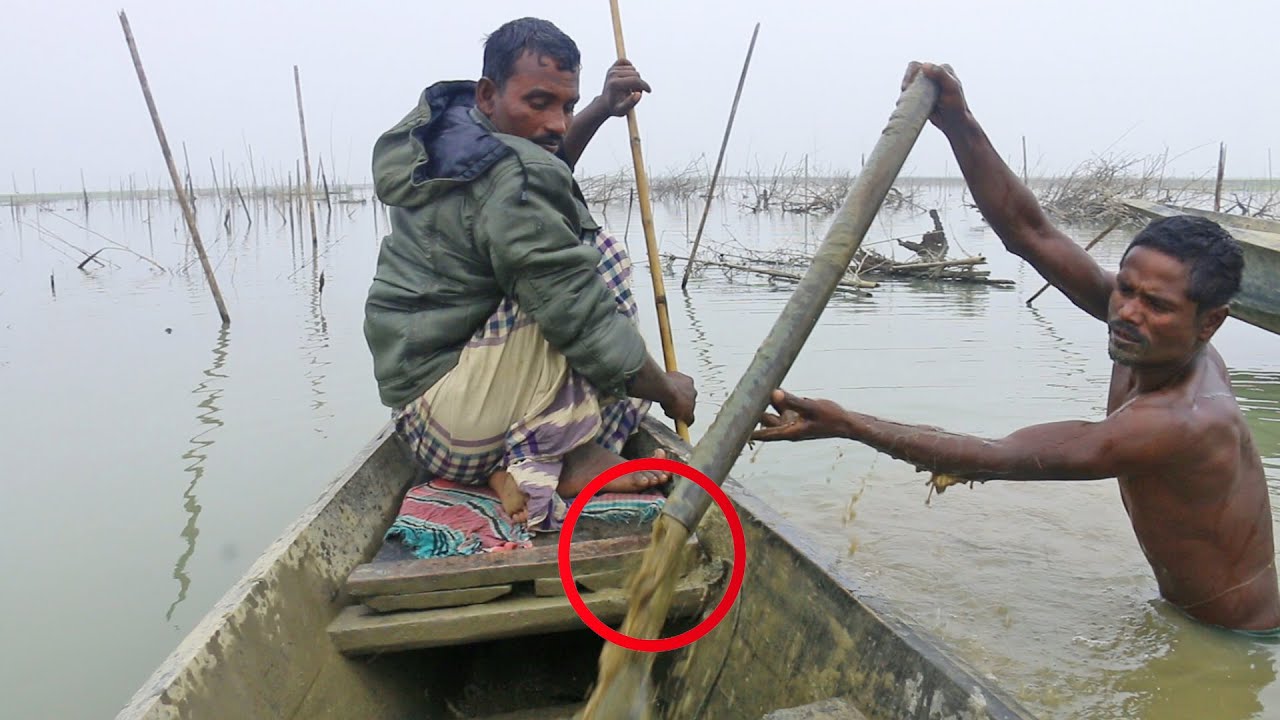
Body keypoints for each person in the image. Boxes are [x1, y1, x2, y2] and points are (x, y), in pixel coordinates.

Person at [752, 61, 1279, 633]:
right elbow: (1031, 233)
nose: (1126, 312)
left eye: (1156, 305)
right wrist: (958, 121)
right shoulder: (1146, 338)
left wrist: (849, 423)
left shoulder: (1184, 420)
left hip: (1238, 638)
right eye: (1124, 289)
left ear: (1211, 324)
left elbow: (996, 456)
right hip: (1185, 614)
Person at [364, 17, 695, 531]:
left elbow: (540, 170)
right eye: (539, 103)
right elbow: (578, 311)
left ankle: (506, 467)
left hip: (426, 419)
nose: (558, 122)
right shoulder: (506, 173)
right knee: (597, 258)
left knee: (557, 263)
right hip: (458, 423)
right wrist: (665, 391)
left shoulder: (451, 140)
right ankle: (571, 453)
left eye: (566, 105)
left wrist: (602, 109)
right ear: (490, 94)